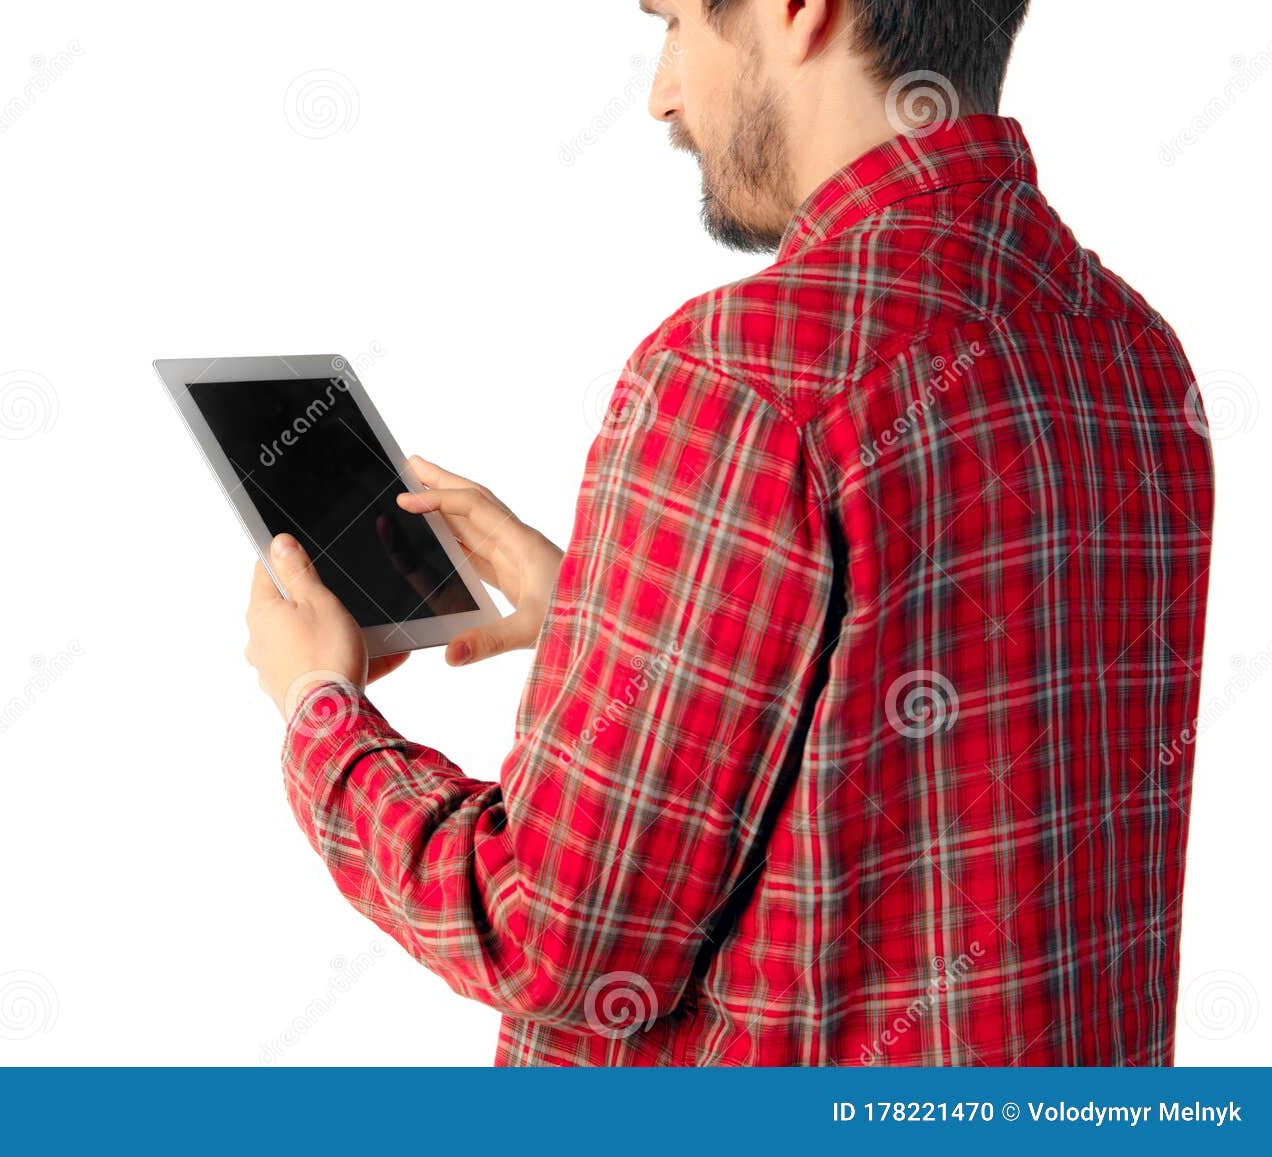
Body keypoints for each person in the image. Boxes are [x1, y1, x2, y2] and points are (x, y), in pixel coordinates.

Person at [244, 0, 1214, 1066]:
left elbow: (553, 939)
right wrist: (604, 615)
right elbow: (927, 730)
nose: (662, 94)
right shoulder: (1128, 350)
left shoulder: (740, 377)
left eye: (670, 26)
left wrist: (318, 708)